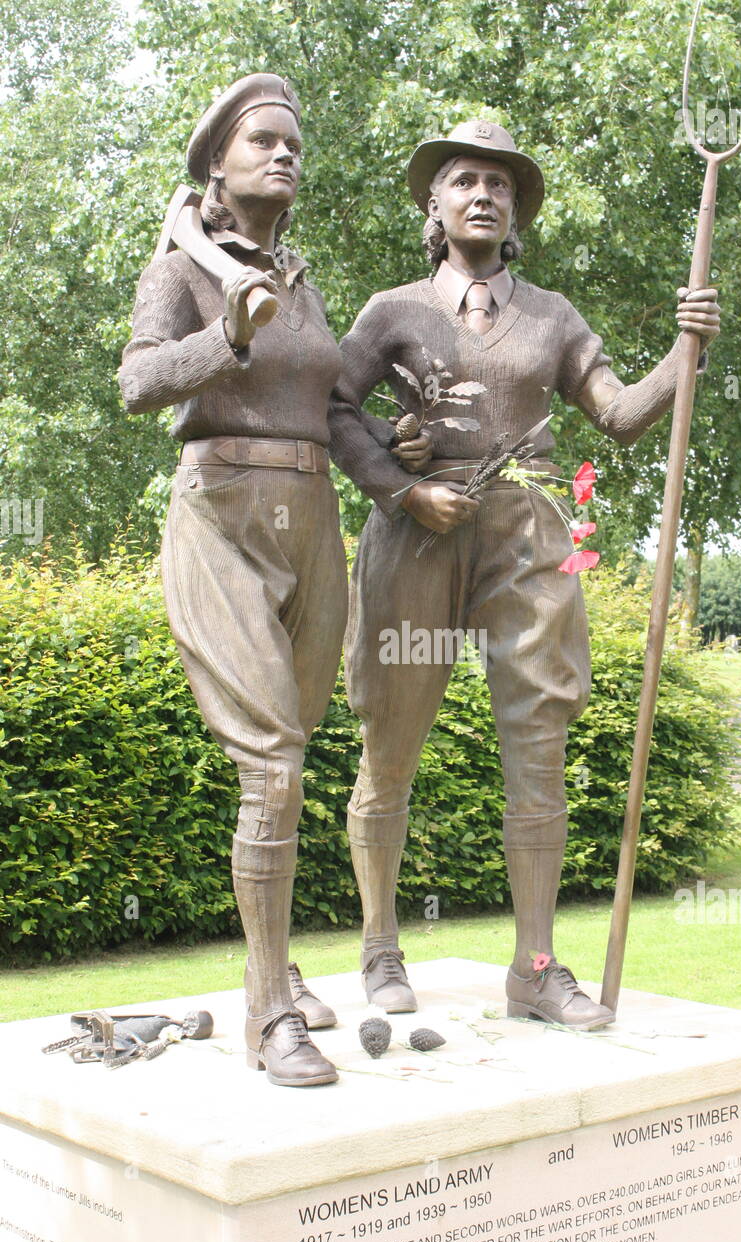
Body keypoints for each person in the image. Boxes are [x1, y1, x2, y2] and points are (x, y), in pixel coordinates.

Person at [328, 119, 720, 1026]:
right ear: (435, 203)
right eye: (465, 180)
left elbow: (620, 416)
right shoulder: (393, 312)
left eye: (500, 186)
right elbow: (336, 410)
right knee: (390, 739)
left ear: (514, 212)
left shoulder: (553, 315)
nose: (483, 195)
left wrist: (683, 348)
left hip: (528, 535)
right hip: (417, 530)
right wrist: (397, 485)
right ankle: (381, 947)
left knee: (539, 744)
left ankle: (535, 967)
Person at [118, 74, 427, 1086]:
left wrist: (394, 437)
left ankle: (278, 971)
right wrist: (228, 334)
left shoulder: (302, 283)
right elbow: (137, 381)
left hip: (311, 521)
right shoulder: (181, 269)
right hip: (222, 513)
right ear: (218, 163)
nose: (285, 154)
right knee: (272, 768)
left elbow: (325, 409)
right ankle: (268, 1020)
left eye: (294, 141)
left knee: (291, 755)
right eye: (264, 140)